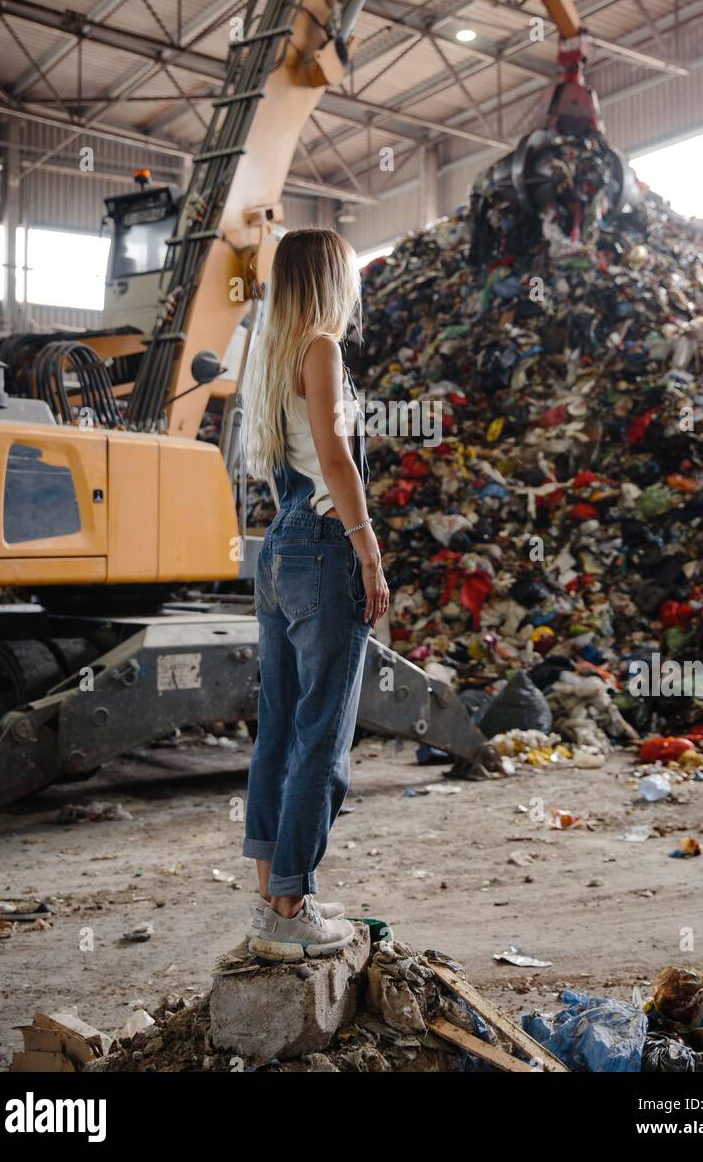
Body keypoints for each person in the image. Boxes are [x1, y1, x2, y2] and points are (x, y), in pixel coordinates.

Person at [241, 227, 389, 960]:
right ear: (333, 278)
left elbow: (282, 462)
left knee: (278, 729)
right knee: (324, 735)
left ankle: (274, 897)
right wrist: (368, 550)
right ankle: (292, 907)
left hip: (279, 546)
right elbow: (334, 452)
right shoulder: (323, 347)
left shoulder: (267, 352)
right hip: (326, 543)